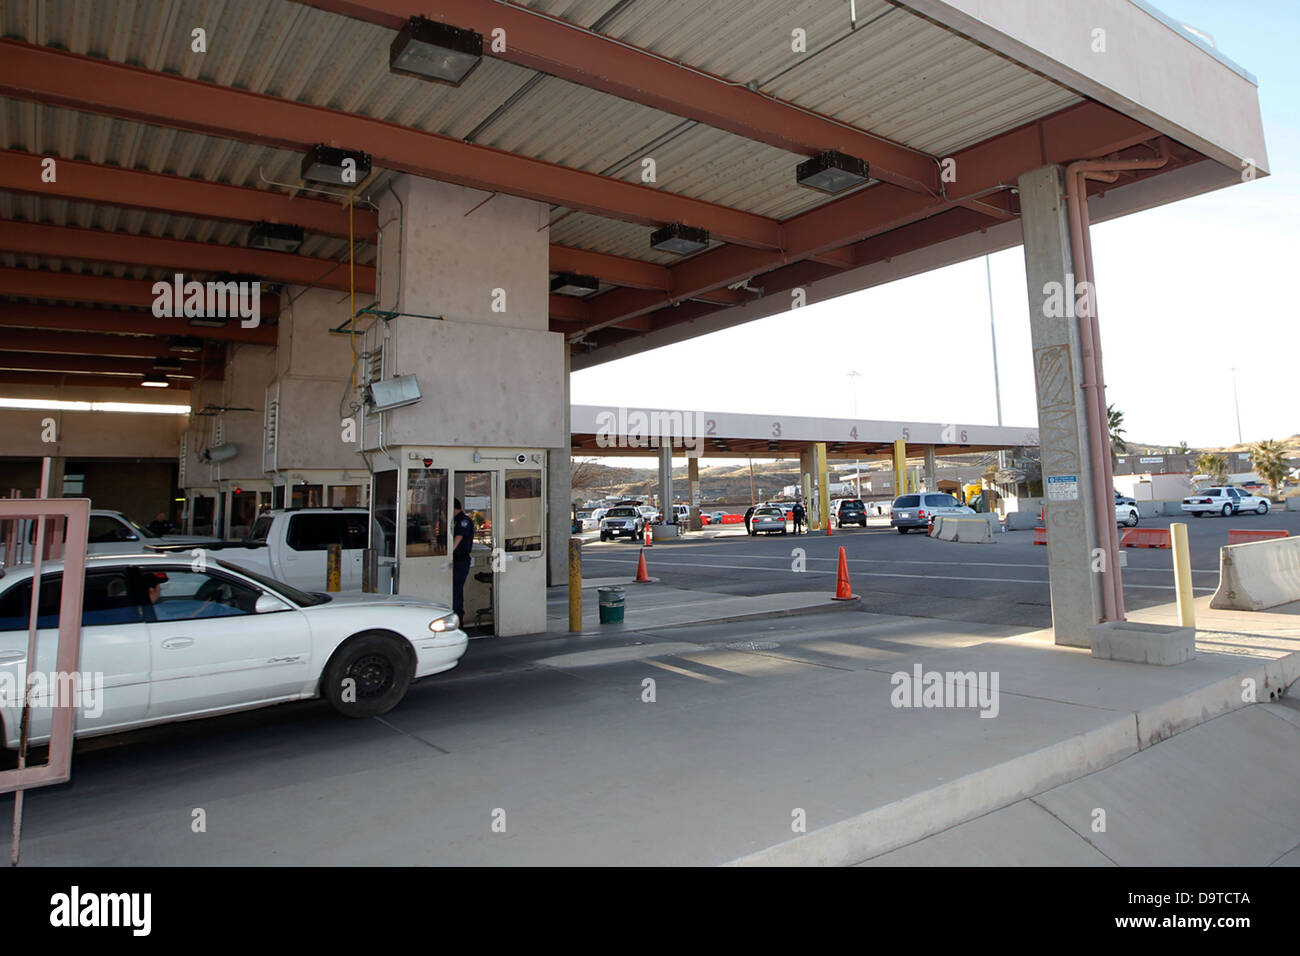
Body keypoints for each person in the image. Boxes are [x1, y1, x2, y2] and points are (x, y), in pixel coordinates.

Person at [451, 498, 475, 625]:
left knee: (456, 590)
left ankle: (458, 618)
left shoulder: (463, 521)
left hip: (460, 560)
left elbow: (458, 538)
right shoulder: (454, 520)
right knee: (454, 590)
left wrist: (449, 552)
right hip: (456, 560)